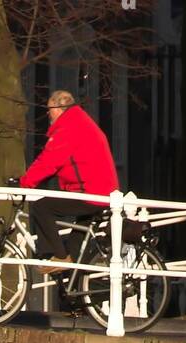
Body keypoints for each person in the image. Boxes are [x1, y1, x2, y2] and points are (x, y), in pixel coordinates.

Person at [17, 91, 119, 271]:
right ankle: (73, 287)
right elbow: (63, 163)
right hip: (100, 191)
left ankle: (57, 256)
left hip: (91, 193)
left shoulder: (69, 128)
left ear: (59, 109)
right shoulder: (80, 121)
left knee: (42, 207)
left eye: (50, 109)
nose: (48, 114)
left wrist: (24, 182)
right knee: (75, 257)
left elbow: (48, 161)